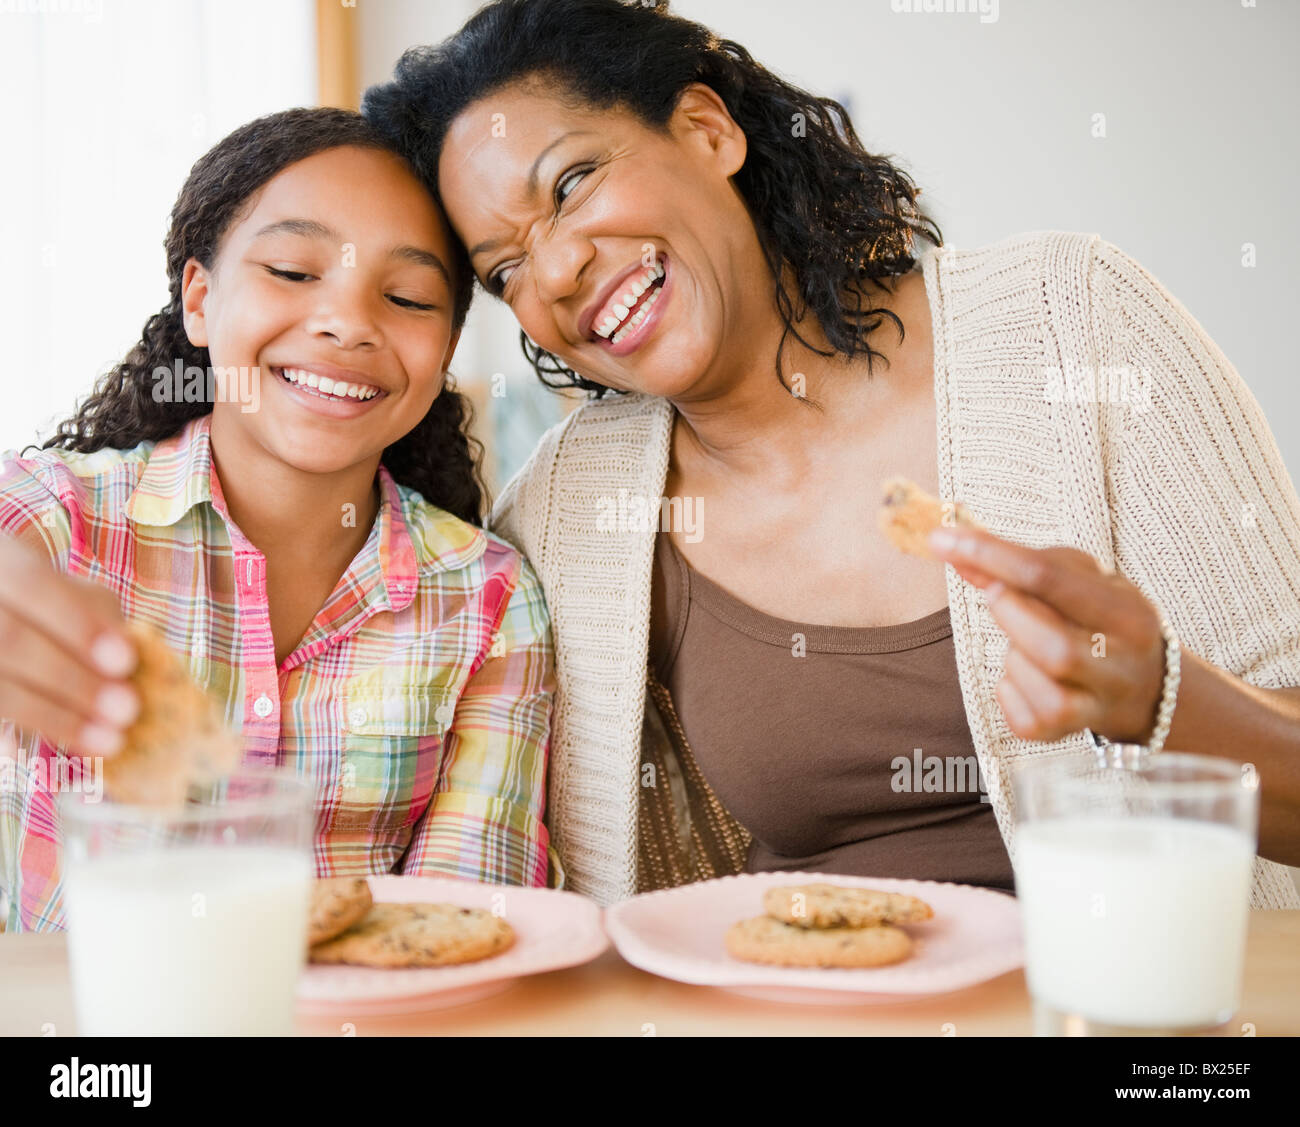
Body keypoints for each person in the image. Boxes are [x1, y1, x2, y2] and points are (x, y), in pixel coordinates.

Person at [363, 0, 1300, 909]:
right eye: (506, 270)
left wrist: (1164, 705)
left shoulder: (1074, 327)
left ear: (705, 129)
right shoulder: (571, 513)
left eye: (571, 186)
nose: (557, 271)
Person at [0, 107, 556, 933]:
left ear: (443, 355)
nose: (348, 322)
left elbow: (458, 930)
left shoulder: (490, 604)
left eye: (406, 296)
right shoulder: (54, 522)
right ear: (198, 299)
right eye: (294, 272)